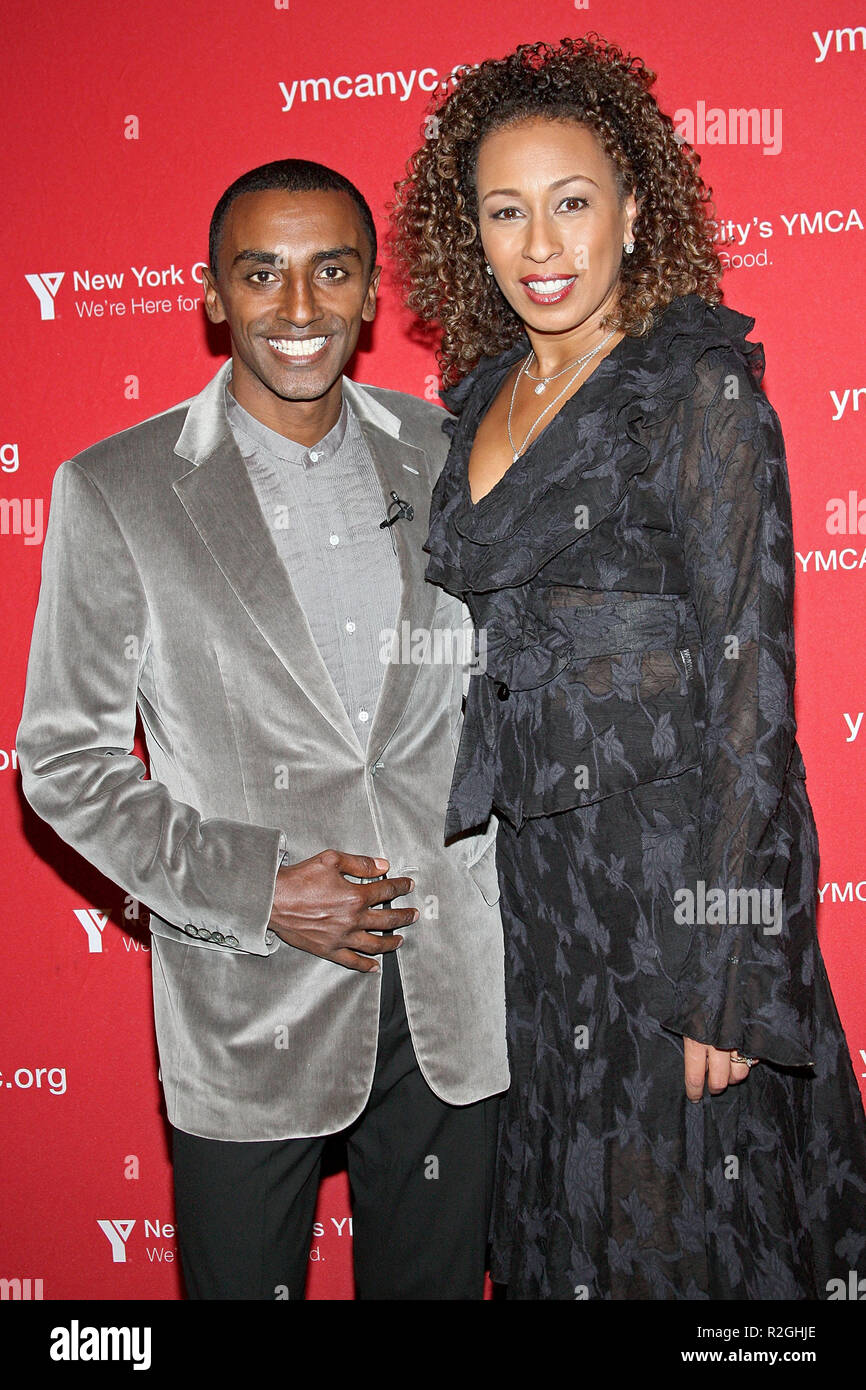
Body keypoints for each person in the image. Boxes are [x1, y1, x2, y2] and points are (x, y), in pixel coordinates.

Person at [391, 36, 866, 1299]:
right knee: (566, 1232)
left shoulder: (691, 386)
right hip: (538, 901)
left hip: (673, 899)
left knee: (680, 1239)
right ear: (470, 231)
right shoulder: (481, 394)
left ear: (632, 211)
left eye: (570, 202)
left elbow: (749, 692)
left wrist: (733, 970)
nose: (539, 242)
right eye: (505, 209)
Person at [16, 159, 508, 1301]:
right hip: (251, 1000)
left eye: (330, 271)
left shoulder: (454, 455)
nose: (298, 310)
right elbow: (66, 762)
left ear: (372, 292)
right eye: (262, 274)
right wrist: (262, 887)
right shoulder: (118, 488)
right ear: (209, 294)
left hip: (449, 996)